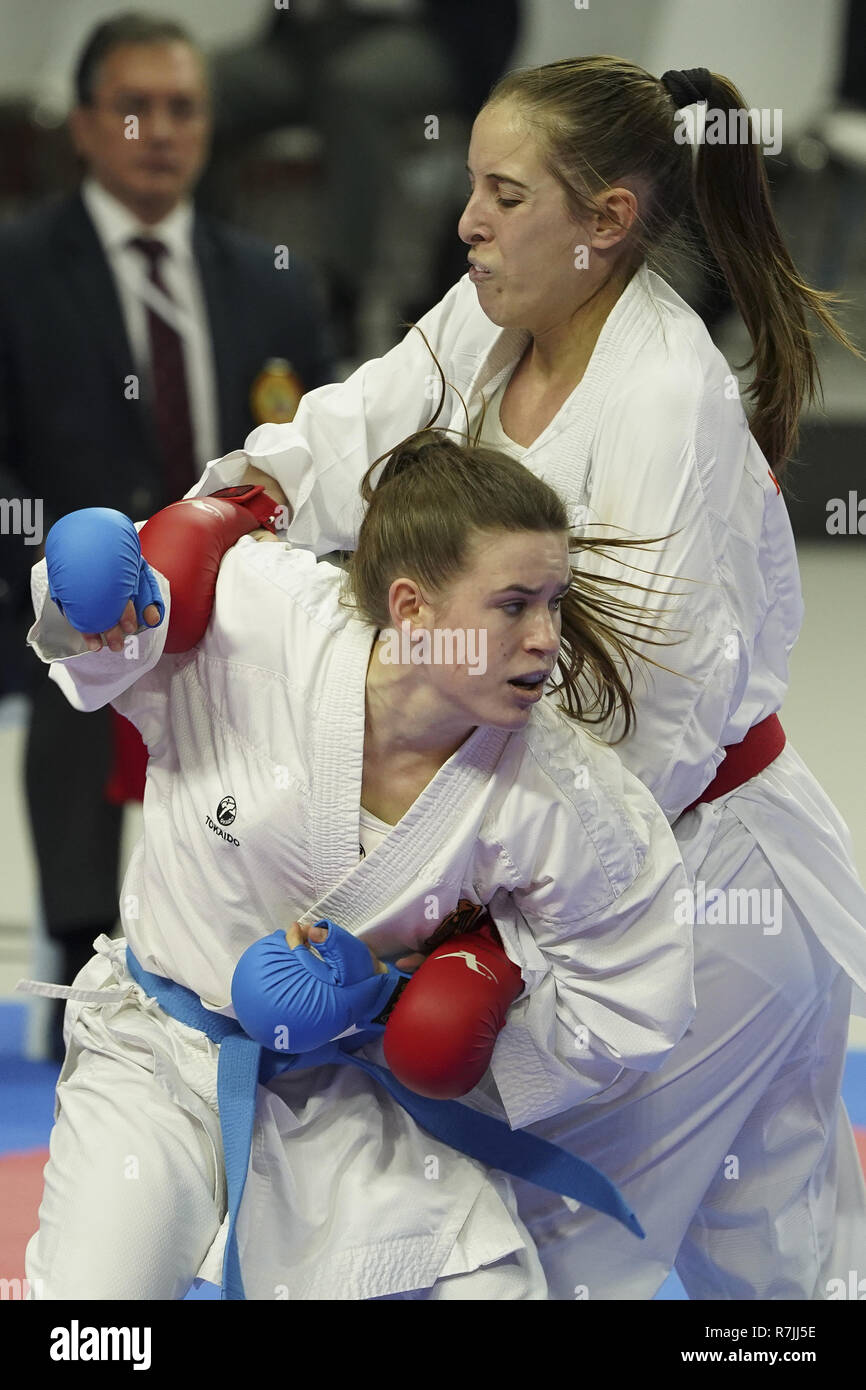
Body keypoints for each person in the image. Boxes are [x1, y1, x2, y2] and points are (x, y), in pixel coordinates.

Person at [179, 57, 866, 1300]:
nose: (465, 221)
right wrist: (237, 505)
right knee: (772, 1262)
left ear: (603, 222)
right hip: (629, 874)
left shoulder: (664, 401)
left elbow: (647, 728)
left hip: (690, 885)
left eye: (503, 193)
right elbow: (360, 428)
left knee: (553, 1240)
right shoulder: (495, 317)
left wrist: (480, 926)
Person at [21, 432, 693, 1301]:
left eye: (556, 603)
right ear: (411, 609)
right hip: (160, 1059)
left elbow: (634, 998)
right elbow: (106, 634)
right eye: (514, 605)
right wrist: (97, 593)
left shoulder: (558, 796)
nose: (545, 641)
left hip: (353, 1093)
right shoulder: (262, 614)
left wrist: (428, 997)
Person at [0, 12, 335, 1060]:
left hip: (237, 611)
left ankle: (245, 988)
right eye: (134, 107)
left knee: (243, 823)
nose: (161, 130)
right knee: (75, 745)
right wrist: (58, 576)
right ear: (87, 127)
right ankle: (72, 985)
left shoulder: (270, 275)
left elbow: (308, 444)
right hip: (72, 589)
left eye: (183, 107)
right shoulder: (13, 266)